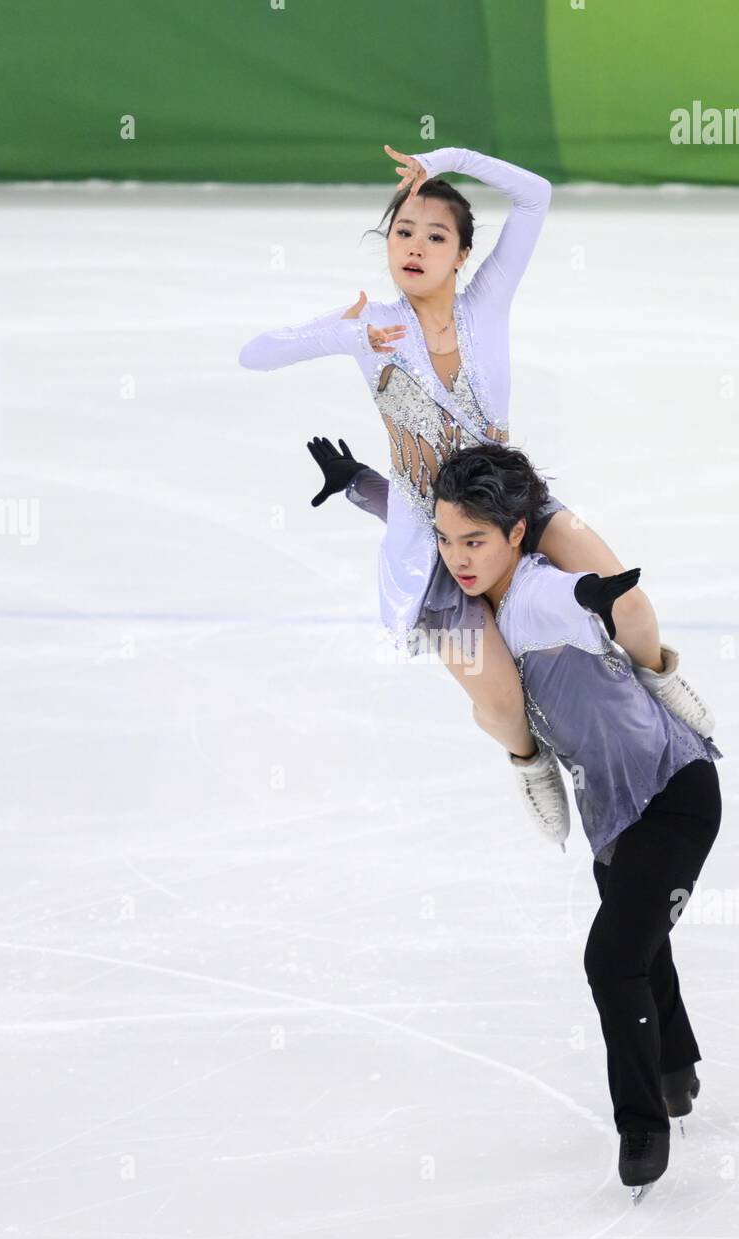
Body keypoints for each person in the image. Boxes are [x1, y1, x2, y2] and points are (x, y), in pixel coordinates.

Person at [239, 143, 713, 844]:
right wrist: (340, 327)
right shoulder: (372, 333)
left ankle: (658, 682)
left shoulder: (485, 306)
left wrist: (450, 158)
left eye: (437, 236)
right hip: (434, 543)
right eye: (403, 231)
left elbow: (536, 195)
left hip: (516, 502)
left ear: (463, 254)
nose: (416, 246)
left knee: (626, 598)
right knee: (497, 699)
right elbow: (256, 352)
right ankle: (529, 762)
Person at [426, 441, 723, 1199]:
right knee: (642, 947)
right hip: (613, 819)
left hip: (673, 797)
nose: (457, 558)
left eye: (475, 541)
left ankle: (643, 1124)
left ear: (517, 535)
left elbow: (580, 595)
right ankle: (677, 1068)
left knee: (612, 959)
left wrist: (597, 593)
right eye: (446, 539)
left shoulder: (534, 596)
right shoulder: (483, 604)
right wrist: (361, 486)